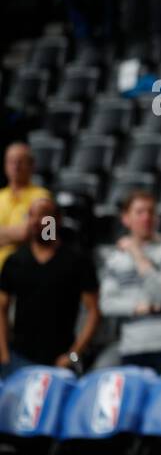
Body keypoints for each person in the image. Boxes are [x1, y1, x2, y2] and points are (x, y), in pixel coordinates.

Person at [0, 198, 99, 377]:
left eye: (45, 214)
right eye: (32, 215)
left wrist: (74, 354)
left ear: (57, 219)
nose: (38, 221)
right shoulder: (14, 261)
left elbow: (93, 312)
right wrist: (5, 354)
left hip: (61, 361)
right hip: (20, 359)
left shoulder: (77, 261)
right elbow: (1, 308)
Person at [98, 191, 161, 373]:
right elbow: (106, 304)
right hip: (132, 347)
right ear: (126, 219)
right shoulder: (115, 259)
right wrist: (140, 308)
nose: (146, 217)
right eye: (139, 212)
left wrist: (137, 253)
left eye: (151, 212)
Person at [0, 142, 52, 271]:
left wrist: (23, 233)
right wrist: (20, 233)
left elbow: (47, 235)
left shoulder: (43, 197)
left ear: (32, 166)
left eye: (20, 161)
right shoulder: (0, 196)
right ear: (5, 165)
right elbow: (25, 233)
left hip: (27, 272)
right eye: (11, 161)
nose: (15, 166)